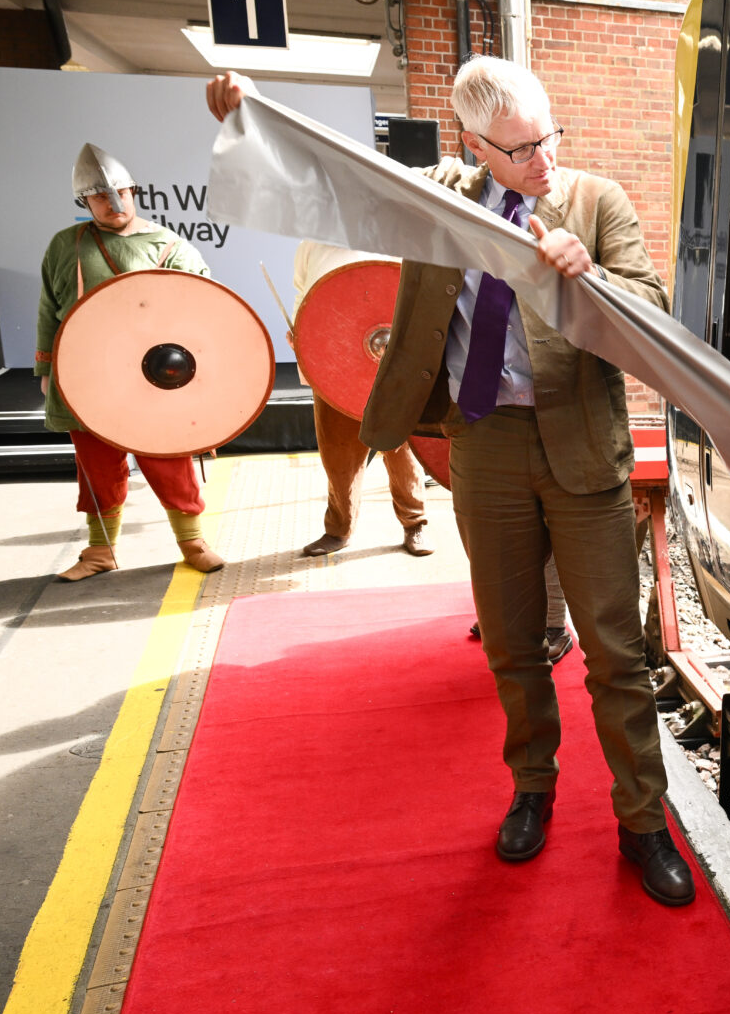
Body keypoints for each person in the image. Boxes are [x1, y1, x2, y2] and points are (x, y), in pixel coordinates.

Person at [206, 61, 689, 905]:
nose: (544, 158)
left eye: (550, 137)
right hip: (485, 446)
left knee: (614, 651)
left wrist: (593, 275)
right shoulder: (437, 199)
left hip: (580, 444)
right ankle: (532, 789)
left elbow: (648, 306)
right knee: (511, 643)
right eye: (521, 148)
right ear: (474, 146)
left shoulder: (596, 201)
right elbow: (337, 177)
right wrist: (255, 114)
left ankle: (643, 822)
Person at [35, 144, 227, 582]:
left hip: (151, 378)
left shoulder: (168, 244)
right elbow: (50, 307)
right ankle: (100, 551)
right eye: (102, 197)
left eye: (121, 192)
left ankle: (193, 542)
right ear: (85, 202)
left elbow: (207, 308)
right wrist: (46, 368)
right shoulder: (67, 244)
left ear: (135, 190)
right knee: (97, 465)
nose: (115, 203)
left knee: (167, 459)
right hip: (86, 374)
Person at [289, 242, 433, 560]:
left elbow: (416, 296)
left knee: (400, 450)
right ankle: (339, 528)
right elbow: (305, 295)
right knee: (338, 454)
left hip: (390, 363)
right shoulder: (312, 243)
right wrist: (302, 332)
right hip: (334, 360)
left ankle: (415, 524)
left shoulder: (392, 233)